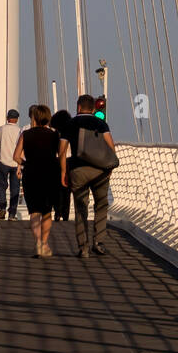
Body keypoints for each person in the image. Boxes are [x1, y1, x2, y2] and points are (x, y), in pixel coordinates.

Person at [62, 93, 117, 259]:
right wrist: (109, 169)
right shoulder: (101, 123)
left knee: (80, 209)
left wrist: (64, 172)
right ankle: (99, 242)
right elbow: (111, 147)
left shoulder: (69, 124)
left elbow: (62, 150)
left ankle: (83, 247)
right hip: (100, 171)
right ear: (93, 108)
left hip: (78, 171)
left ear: (78, 107)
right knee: (101, 205)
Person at [14, 104, 66, 258]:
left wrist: (25, 163)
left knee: (34, 211)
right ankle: (44, 243)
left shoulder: (26, 134)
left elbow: (16, 156)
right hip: (50, 173)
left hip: (31, 173)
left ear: (34, 117)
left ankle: (37, 242)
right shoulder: (55, 135)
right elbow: (61, 153)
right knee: (47, 211)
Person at [0, 109, 21, 220]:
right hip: (15, 163)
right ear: (17, 119)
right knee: (15, 189)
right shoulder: (19, 131)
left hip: (2, 162)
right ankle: (12, 214)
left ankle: (2, 208)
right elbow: (21, 149)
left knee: (1, 187)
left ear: (7, 117)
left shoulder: (0, 129)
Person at [50, 108, 73, 221]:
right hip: (69, 161)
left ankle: (57, 212)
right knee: (67, 190)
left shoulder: (54, 134)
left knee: (56, 188)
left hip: (56, 162)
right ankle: (65, 214)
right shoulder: (71, 132)